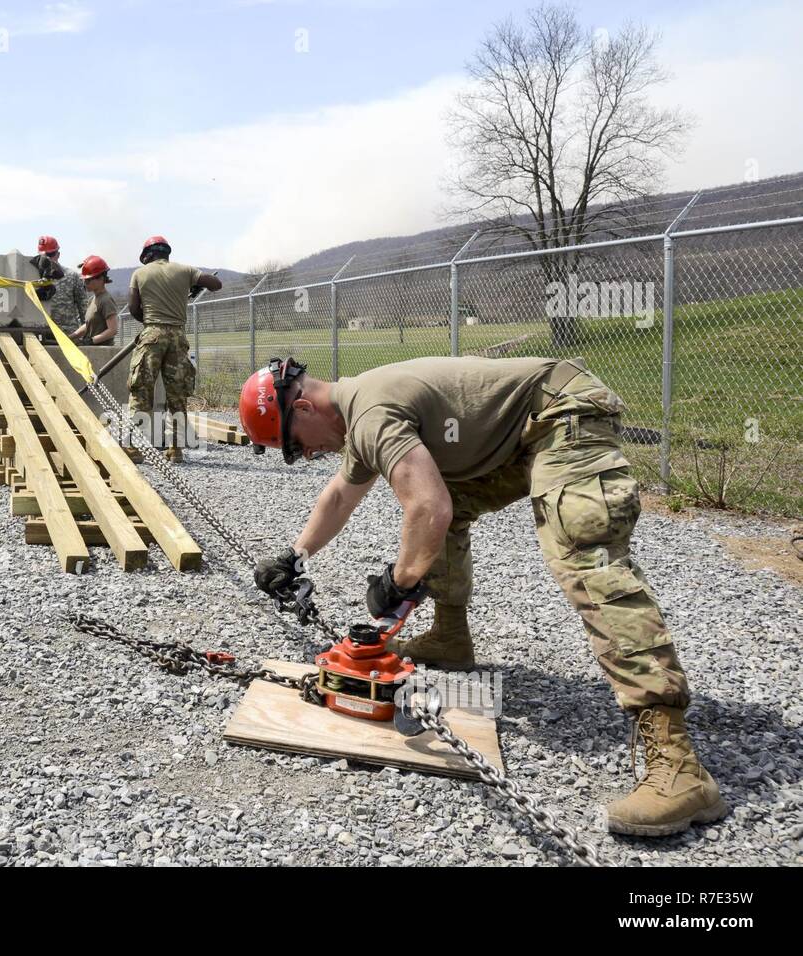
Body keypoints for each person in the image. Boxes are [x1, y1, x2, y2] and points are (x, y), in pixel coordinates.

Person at [242, 354, 726, 837]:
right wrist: (294, 556)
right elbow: (340, 496)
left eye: (295, 445)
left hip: (562, 412)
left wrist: (402, 582)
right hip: (522, 432)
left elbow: (425, 507)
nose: (306, 455)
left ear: (302, 408)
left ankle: (678, 762)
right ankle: (450, 638)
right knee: (448, 506)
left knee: (583, 551)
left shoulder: (369, 414)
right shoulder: (358, 414)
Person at [126, 235, 221, 462]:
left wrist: (150, 321)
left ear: (147, 255)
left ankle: (133, 448)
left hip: (152, 335)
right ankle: (175, 449)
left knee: (141, 391)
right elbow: (216, 285)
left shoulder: (139, 274)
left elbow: (133, 308)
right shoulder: (186, 270)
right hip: (178, 337)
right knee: (177, 396)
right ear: (167, 252)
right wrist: (196, 281)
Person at [36, 235, 88, 335]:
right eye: (44, 255)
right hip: (42, 334)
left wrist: (86, 336)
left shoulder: (72, 277)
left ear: (58, 254)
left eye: (51, 254)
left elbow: (84, 310)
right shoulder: (33, 277)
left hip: (68, 335)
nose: (47, 258)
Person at [69, 255, 118, 346]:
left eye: (88, 280)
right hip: (92, 350)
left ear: (100, 279)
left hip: (102, 353)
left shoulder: (106, 300)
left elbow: (112, 330)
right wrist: (70, 337)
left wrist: (91, 341)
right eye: (84, 280)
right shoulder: (92, 300)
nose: (85, 284)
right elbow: (88, 325)